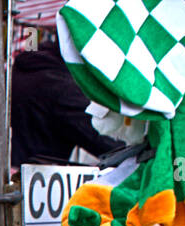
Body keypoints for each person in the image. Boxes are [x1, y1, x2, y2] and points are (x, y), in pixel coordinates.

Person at [11, 37, 123, 166]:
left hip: (6, 169)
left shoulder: (31, 65)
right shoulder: (61, 85)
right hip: (30, 175)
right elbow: (101, 140)